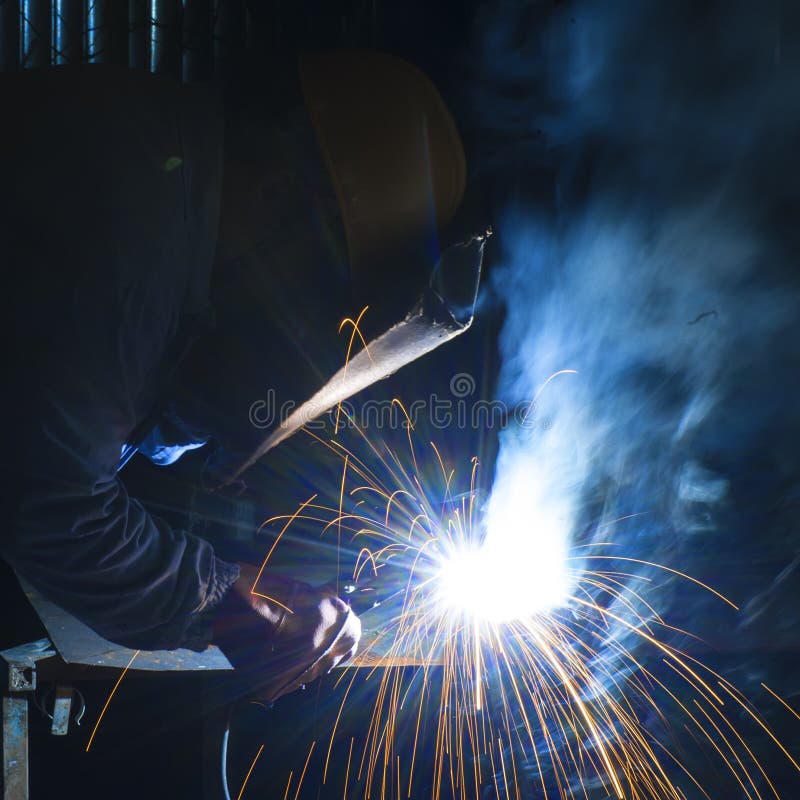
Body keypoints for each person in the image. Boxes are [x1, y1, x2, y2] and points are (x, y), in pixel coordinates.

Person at [0, 50, 468, 700]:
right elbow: (53, 506)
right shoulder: (133, 228)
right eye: (307, 274)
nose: (292, 310)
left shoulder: (166, 179)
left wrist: (234, 581)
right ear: (279, 191)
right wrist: (218, 601)